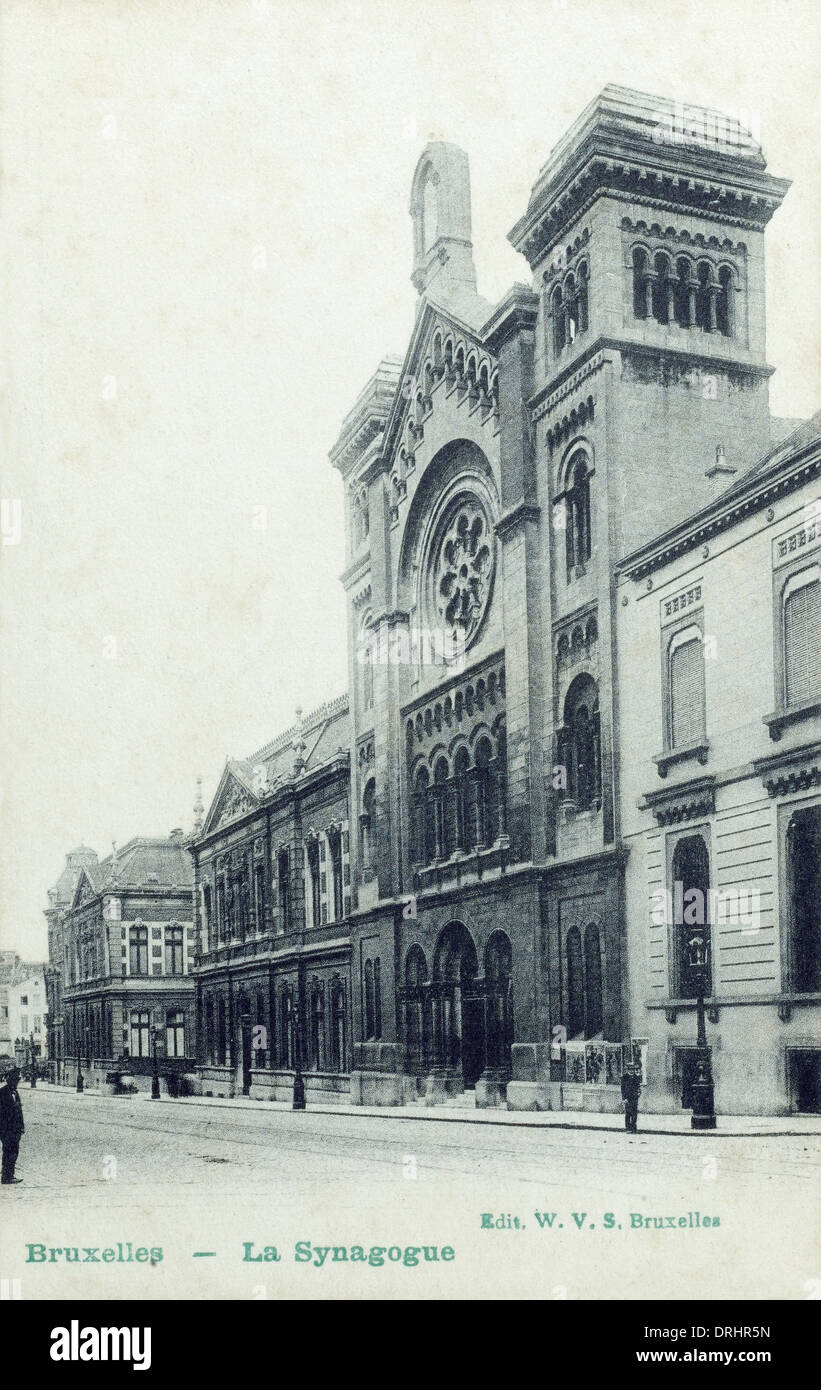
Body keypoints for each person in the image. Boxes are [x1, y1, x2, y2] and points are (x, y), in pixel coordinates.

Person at [0, 1066, 25, 1184]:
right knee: (9, 1152)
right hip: (6, 1129)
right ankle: (7, 1176)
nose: (16, 1083)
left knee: (13, 1152)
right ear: (9, 1081)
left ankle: (9, 1174)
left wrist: (22, 1126)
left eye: (17, 1081)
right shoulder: (2, 1093)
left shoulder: (15, 1092)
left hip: (15, 1129)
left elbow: (19, 1112)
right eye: (15, 1081)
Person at [621, 1063, 641, 1133]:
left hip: (634, 1098)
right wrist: (624, 1098)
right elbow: (622, 1089)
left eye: (633, 1069)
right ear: (628, 1070)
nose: (632, 1071)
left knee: (634, 1114)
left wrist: (638, 1094)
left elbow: (638, 1087)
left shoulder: (636, 1077)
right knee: (628, 1113)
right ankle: (628, 1128)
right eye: (630, 1069)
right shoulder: (624, 1077)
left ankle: (633, 1128)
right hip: (627, 1098)